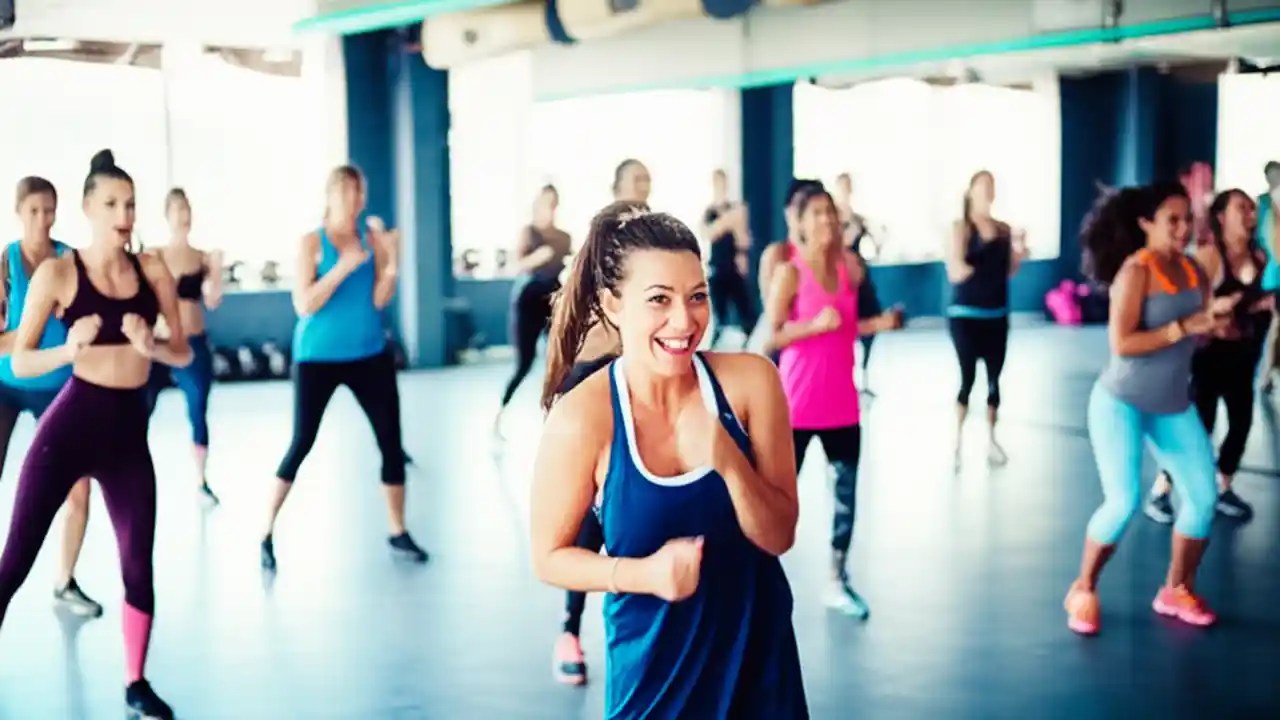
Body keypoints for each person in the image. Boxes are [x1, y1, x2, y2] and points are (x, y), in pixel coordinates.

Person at [531, 201, 807, 719]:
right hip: (654, 684)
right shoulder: (584, 418)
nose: (684, 320)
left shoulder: (751, 384)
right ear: (613, 304)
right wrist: (645, 575)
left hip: (761, 677)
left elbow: (778, 536)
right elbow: (548, 556)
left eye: (697, 296)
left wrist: (728, 461)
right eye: (659, 299)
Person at [0, 149, 194, 718]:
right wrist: (69, 347)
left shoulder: (153, 269)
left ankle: (136, 683)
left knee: (138, 562)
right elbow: (23, 360)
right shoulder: (59, 273)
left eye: (130, 203)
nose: (124, 213)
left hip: (127, 435)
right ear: (87, 208)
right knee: (15, 558)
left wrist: (150, 345)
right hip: (72, 423)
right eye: (111, 203)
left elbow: (181, 352)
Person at [1064, 181, 1234, 636]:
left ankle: (1176, 588)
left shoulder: (1195, 272)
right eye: (1171, 220)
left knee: (1202, 498)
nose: (1183, 229)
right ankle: (1083, 588)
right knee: (1123, 503)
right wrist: (1183, 327)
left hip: (1172, 404)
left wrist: (1216, 327)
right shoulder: (1136, 272)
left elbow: (1195, 333)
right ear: (1146, 224)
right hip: (1120, 402)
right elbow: (1123, 344)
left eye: (1187, 219)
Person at [259, 165, 425, 571]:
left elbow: (380, 299)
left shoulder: (370, 239)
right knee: (302, 441)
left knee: (390, 441)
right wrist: (343, 267)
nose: (354, 200)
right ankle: (266, 530)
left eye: (359, 192)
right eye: (347, 192)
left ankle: (397, 530)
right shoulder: (311, 243)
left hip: (369, 353)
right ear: (331, 196)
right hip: (317, 358)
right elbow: (304, 304)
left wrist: (391, 261)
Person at [763, 184, 901, 619]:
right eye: (817, 213)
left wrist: (880, 323)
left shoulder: (849, 270)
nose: (826, 220)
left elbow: (847, 327)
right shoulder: (790, 272)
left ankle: (837, 581)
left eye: (830, 213)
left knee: (845, 498)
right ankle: (760, 580)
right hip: (797, 406)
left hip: (842, 404)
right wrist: (814, 326)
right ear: (801, 223)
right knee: (778, 497)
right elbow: (773, 335)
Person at [548, 162, 648, 685]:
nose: (645, 199)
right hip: (600, 444)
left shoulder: (648, 294)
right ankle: (569, 630)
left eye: (649, 191)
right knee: (587, 533)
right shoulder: (593, 311)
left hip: (645, 435)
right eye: (636, 189)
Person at [0, 176, 102, 618]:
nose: (43, 219)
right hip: (5, 385)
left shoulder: (69, 261)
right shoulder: (5, 263)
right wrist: (29, 338)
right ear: (20, 213)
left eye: (50, 210)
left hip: (59, 386)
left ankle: (65, 580)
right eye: (34, 211)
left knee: (79, 489)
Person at [1145, 189, 1268, 524]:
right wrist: (1215, 320)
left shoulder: (1259, 258)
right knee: (1199, 428)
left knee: (1241, 424)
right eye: (1240, 208)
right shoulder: (1209, 257)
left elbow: (1255, 303)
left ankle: (1222, 486)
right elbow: (1189, 308)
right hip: (1209, 358)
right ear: (1221, 216)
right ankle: (1161, 491)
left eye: (1252, 209)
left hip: (1243, 358)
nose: (1249, 215)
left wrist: (1259, 307)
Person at [945, 170, 1027, 468]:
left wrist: (1018, 249)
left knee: (994, 380)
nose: (988, 192)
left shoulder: (1003, 229)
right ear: (971, 192)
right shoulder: (961, 228)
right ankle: (957, 441)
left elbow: (1009, 270)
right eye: (983, 186)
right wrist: (975, 264)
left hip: (996, 313)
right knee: (967, 377)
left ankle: (991, 439)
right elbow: (955, 269)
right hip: (966, 314)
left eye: (992, 186)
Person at [146, 188, 223, 503]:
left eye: (187, 209)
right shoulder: (154, 255)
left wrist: (217, 270)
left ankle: (201, 479)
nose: (183, 215)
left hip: (193, 342)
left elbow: (213, 300)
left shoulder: (203, 257)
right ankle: (132, 472)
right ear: (167, 215)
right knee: (142, 408)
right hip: (160, 341)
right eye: (178, 209)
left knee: (198, 407)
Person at [493, 185, 571, 435]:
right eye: (545, 203)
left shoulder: (564, 237)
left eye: (553, 203)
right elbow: (516, 266)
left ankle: (559, 417)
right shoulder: (529, 233)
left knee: (563, 359)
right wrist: (538, 257)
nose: (549, 209)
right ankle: (499, 414)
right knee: (524, 364)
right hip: (528, 302)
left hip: (553, 300)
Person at [834, 173, 885, 395]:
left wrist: (879, 235)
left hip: (860, 278)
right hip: (839, 280)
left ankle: (863, 375)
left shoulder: (858, 219)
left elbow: (875, 247)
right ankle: (844, 378)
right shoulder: (833, 219)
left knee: (870, 324)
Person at [702, 169, 755, 348]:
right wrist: (728, 221)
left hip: (734, 267)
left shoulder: (736, 208)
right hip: (717, 268)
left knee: (747, 314)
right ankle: (715, 350)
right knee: (719, 317)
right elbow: (708, 233)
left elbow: (744, 238)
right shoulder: (710, 211)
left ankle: (748, 347)